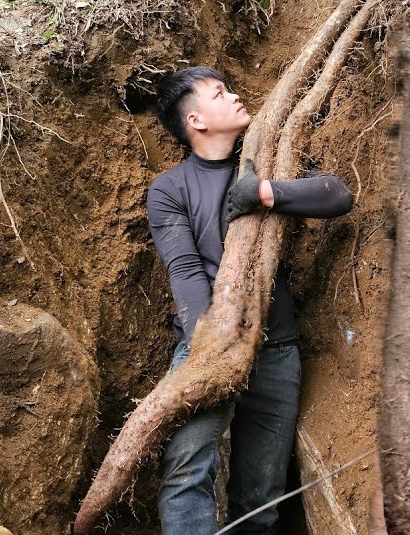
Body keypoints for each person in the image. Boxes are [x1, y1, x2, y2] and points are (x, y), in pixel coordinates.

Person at [147, 66, 353, 535]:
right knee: (186, 472)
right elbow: (184, 271)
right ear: (196, 121)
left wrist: (264, 192)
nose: (236, 96)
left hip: (277, 349)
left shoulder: (270, 162)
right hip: (206, 348)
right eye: (220, 93)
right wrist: (213, 342)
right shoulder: (170, 189)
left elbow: (337, 195)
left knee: (261, 497)